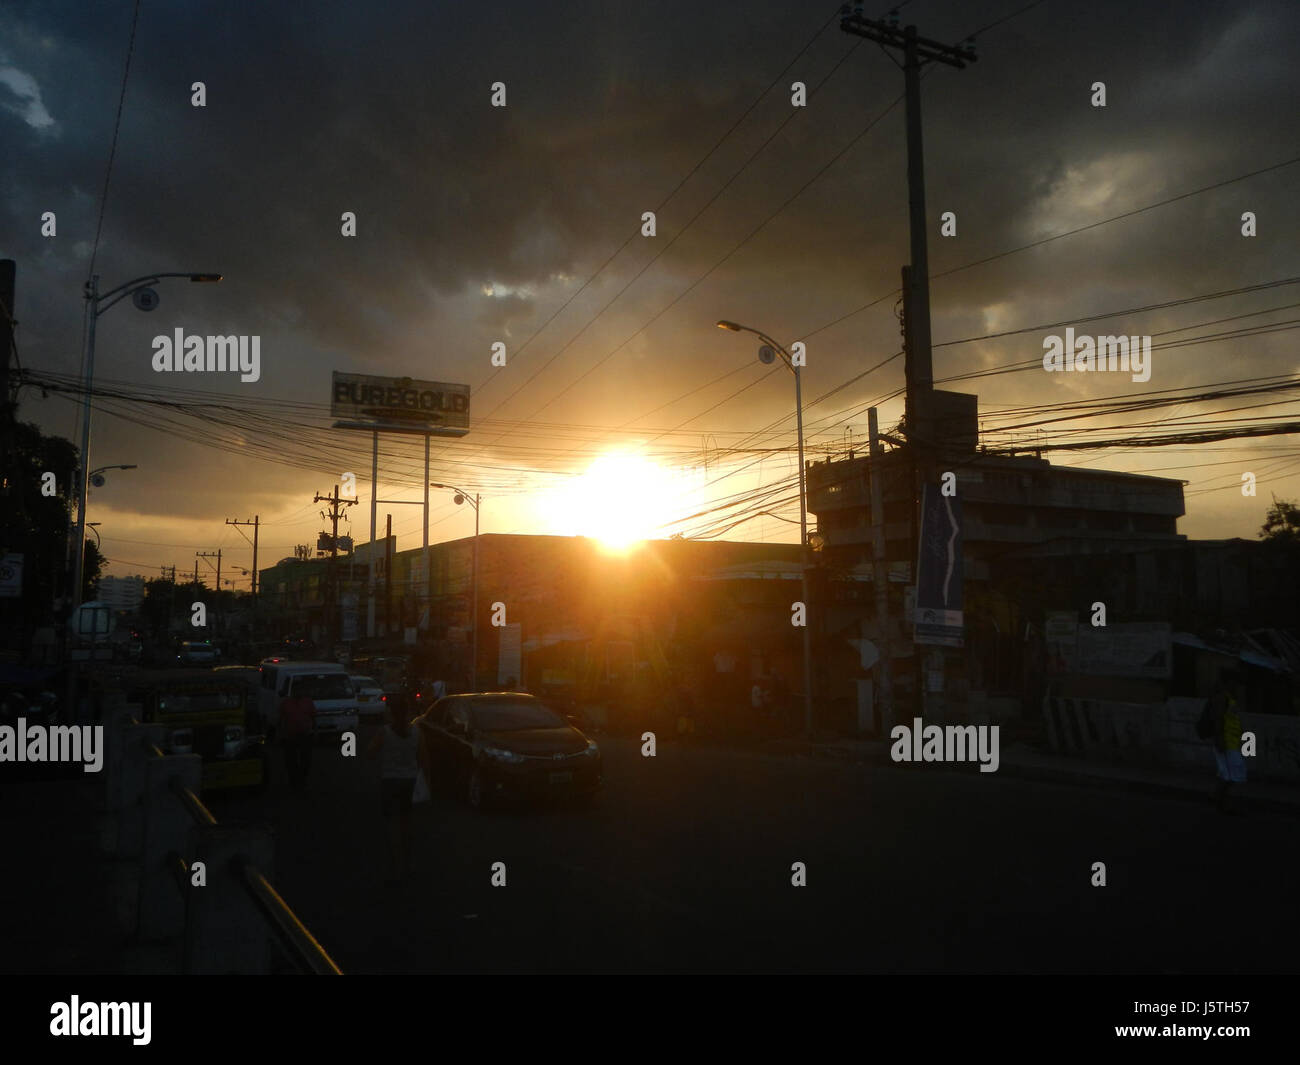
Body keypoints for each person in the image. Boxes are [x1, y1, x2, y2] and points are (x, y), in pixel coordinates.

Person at [367, 694, 424, 881]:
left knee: (392, 828)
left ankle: (395, 868)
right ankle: (409, 865)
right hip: (410, 781)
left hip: (390, 781)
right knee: (408, 826)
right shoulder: (416, 732)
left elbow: (370, 753)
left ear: (392, 712)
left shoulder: (385, 732)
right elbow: (423, 758)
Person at [1202, 675, 1247, 814]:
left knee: (1230, 774)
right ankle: (1220, 800)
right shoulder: (1221, 699)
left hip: (1231, 742)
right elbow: (1218, 720)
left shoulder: (1229, 699)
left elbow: (1232, 720)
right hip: (1226, 743)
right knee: (1232, 775)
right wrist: (1220, 739)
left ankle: (1218, 798)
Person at [278, 686, 317, 793]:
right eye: (296, 690)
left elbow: (314, 717)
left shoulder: (308, 702)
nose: (298, 692)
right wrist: (280, 734)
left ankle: (302, 781)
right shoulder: (286, 703)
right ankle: (293, 781)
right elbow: (281, 719)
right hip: (290, 736)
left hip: (305, 735)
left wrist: (314, 732)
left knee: (306, 760)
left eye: (300, 690)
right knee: (290, 761)